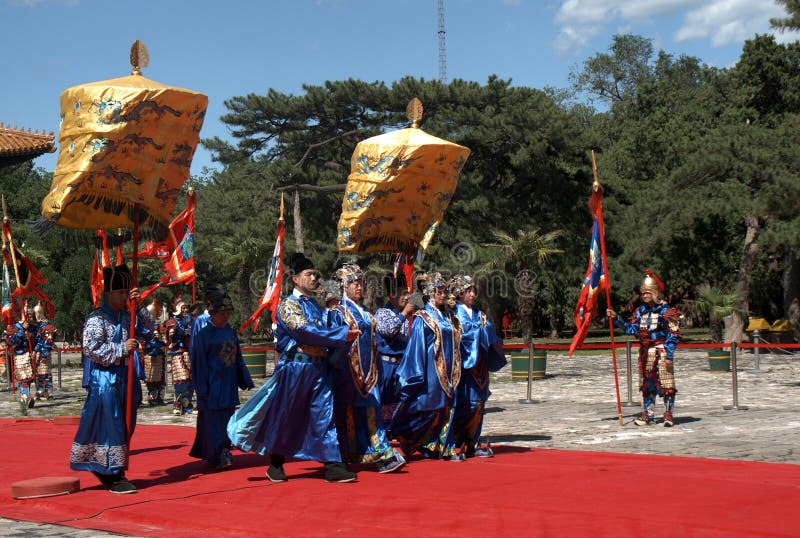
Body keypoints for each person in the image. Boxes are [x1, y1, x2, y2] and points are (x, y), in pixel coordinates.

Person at [227, 253, 360, 483]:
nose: (313, 278)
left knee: (323, 413)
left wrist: (338, 320)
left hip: (318, 369)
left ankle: (333, 465)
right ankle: (276, 462)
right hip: (297, 369)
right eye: (308, 274)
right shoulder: (288, 306)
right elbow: (304, 331)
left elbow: (323, 330)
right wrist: (340, 335)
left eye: (314, 275)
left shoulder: (315, 306)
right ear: (296, 279)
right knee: (287, 416)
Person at [69, 264, 155, 494]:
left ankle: (108, 468)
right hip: (106, 378)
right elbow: (91, 348)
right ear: (109, 294)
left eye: (127, 292)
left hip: (126, 377)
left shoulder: (129, 315)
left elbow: (150, 330)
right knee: (113, 424)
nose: (125, 296)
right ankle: (115, 472)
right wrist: (121, 348)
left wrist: (141, 305)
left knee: (127, 424)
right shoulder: (97, 318)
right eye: (121, 292)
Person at [327, 262, 405, 473]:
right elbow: (334, 342)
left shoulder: (364, 312)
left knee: (371, 412)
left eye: (361, 283)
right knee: (349, 415)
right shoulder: (338, 312)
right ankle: (360, 455)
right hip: (347, 371)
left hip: (369, 372)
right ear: (344, 286)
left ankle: (380, 455)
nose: (359, 287)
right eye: (354, 283)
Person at [390, 272, 462, 460]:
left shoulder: (447, 316)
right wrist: (415, 372)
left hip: (448, 369)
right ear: (430, 292)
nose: (443, 294)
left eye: (444, 290)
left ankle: (445, 447)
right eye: (439, 290)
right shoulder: (423, 317)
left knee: (447, 407)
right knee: (428, 408)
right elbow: (416, 347)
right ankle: (410, 439)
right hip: (431, 370)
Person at [607, 270, 681, 427]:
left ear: (654, 292)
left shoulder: (667, 311)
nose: (644, 296)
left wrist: (669, 355)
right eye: (643, 293)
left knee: (667, 383)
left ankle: (668, 414)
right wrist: (616, 319)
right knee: (647, 385)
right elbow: (631, 329)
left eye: (647, 293)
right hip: (645, 352)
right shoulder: (640, 311)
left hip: (661, 351)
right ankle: (648, 414)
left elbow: (673, 334)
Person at [189, 288, 254, 469]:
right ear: (213, 313)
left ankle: (224, 450)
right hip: (211, 385)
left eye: (228, 313)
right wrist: (201, 388)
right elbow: (198, 364)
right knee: (212, 421)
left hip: (228, 384)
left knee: (227, 418)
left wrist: (244, 379)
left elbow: (238, 358)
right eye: (222, 313)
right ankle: (216, 454)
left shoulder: (230, 332)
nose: (226, 316)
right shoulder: (203, 335)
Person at [448, 273, 506, 457]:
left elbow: (488, 331)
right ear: (459, 292)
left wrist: (484, 333)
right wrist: (479, 333)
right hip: (464, 367)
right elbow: (457, 337)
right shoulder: (453, 314)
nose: (472, 294)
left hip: (479, 368)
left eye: (473, 290)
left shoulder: (479, 314)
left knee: (478, 405)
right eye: (468, 290)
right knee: (465, 404)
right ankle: (457, 439)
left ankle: (473, 442)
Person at [374, 272, 413, 427]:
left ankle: (394, 431)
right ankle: (382, 434)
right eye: (402, 294)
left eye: (407, 293)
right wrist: (404, 313)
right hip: (386, 366)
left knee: (399, 403)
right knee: (384, 402)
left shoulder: (407, 315)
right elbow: (389, 330)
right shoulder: (382, 312)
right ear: (392, 295)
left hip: (401, 366)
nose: (406, 297)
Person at [8, 304, 45, 407]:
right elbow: (12, 341)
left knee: (30, 377)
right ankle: (26, 396)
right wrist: (22, 330)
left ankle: (25, 396)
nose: (30, 318)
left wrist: (35, 351)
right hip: (20, 355)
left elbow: (39, 341)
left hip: (30, 354)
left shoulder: (34, 327)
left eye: (31, 316)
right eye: (28, 316)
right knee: (23, 377)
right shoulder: (16, 327)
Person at [166, 298, 193, 416]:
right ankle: (177, 403)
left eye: (187, 307)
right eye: (183, 308)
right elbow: (172, 336)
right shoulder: (174, 322)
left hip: (189, 352)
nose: (186, 310)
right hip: (178, 352)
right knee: (180, 379)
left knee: (190, 380)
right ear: (178, 309)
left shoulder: (191, 320)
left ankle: (187, 403)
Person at [34, 322, 56, 401]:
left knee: (46, 374)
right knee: (38, 375)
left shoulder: (46, 325)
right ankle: (40, 391)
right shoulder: (34, 326)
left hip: (44, 354)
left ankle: (49, 393)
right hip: (36, 354)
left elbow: (49, 340)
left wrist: (45, 353)